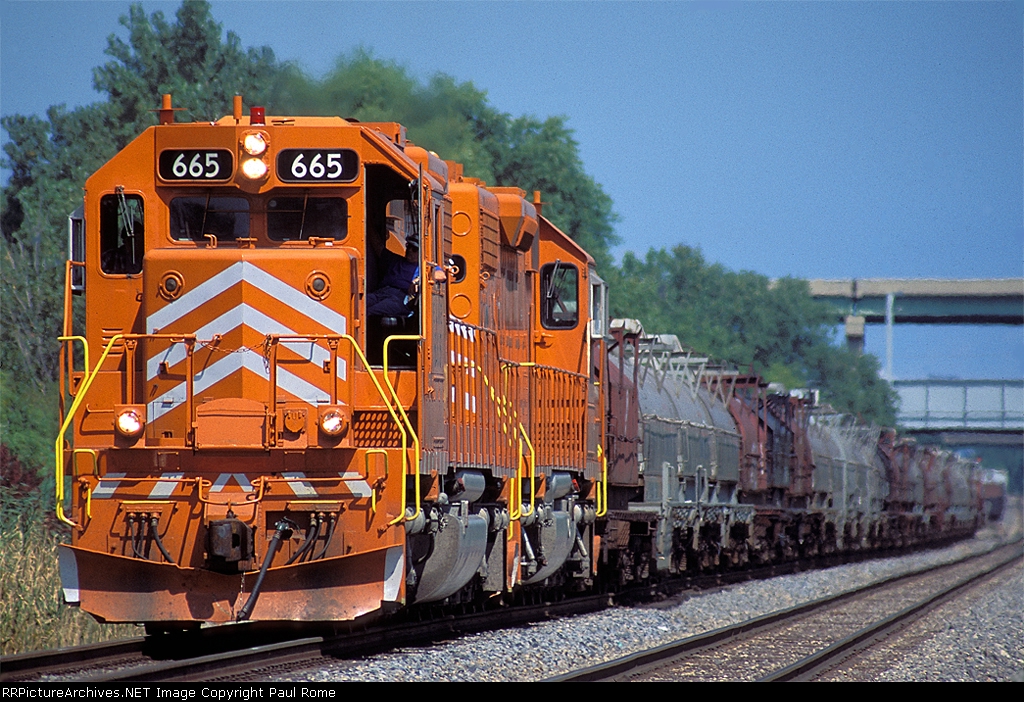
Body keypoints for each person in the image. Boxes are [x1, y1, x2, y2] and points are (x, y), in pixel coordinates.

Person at [367, 236, 420, 317]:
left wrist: (418, 279)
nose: (409, 250)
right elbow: (378, 246)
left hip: (400, 298)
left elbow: (440, 275)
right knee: (358, 304)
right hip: (381, 292)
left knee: (369, 312)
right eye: (408, 246)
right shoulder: (395, 260)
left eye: (414, 249)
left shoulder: (422, 268)